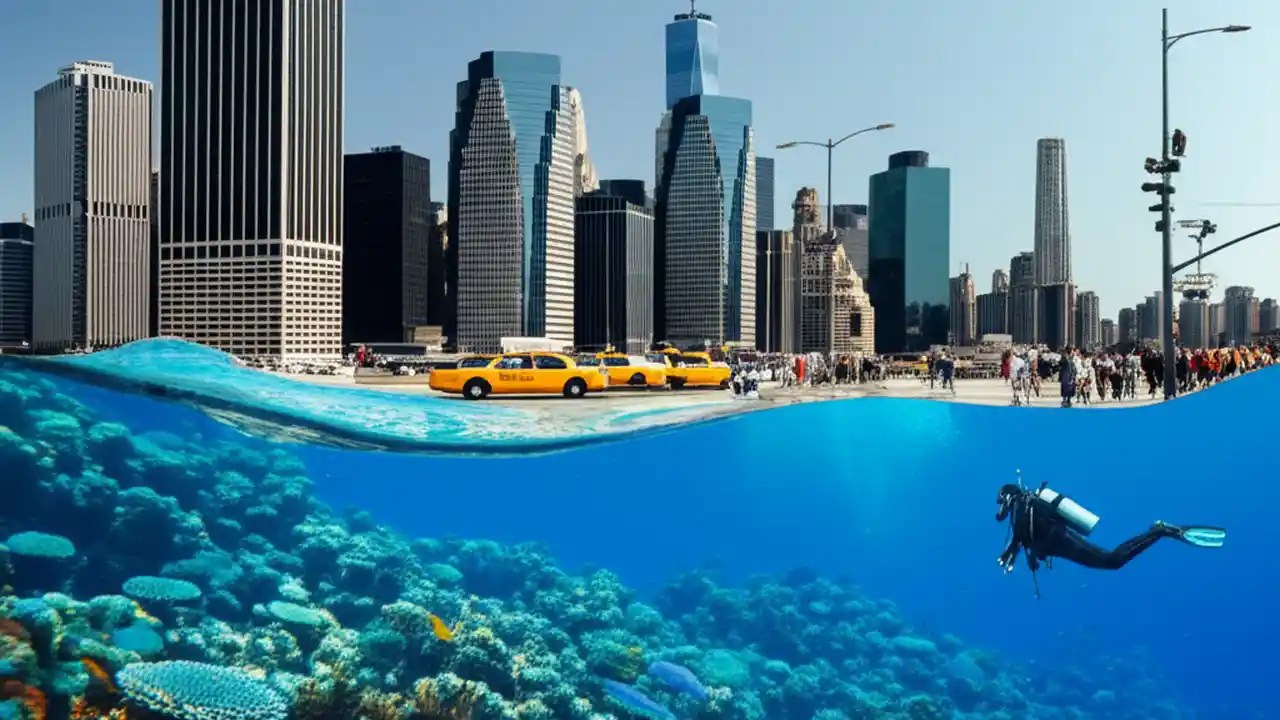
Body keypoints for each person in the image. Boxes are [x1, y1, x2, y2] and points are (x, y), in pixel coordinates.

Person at [995, 479, 1225, 597]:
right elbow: (1026, 537)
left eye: (1001, 502)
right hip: (1062, 544)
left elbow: (1023, 535)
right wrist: (1021, 554)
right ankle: (1158, 531)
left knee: (1112, 560)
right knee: (1111, 561)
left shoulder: (1022, 508)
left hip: (1064, 543)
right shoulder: (1024, 508)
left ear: (1007, 497)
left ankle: (1158, 531)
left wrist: (1015, 554)